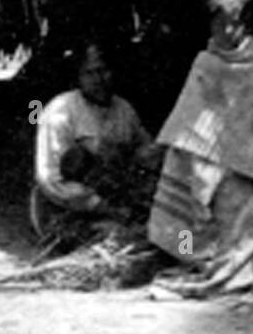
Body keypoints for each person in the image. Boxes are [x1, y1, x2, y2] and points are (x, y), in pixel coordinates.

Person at [148, 0, 253, 296]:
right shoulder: (206, 62)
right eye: (217, 23)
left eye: (232, 22)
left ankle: (233, 271)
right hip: (211, 159)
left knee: (246, 200)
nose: (224, 30)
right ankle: (202, 262)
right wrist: (204, 160)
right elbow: (191, 119)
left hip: (252, 166)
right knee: (201, 188)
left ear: (244, 24)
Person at [33, 42, 159, 231]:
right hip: (66, 209)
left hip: (117, 202)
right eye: (89, 73)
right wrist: (102, 207)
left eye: (104, 71)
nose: (98, 80)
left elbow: (146, 149)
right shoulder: (60, 112)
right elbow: (50, 179)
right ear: (78, 77)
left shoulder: (124, 110)